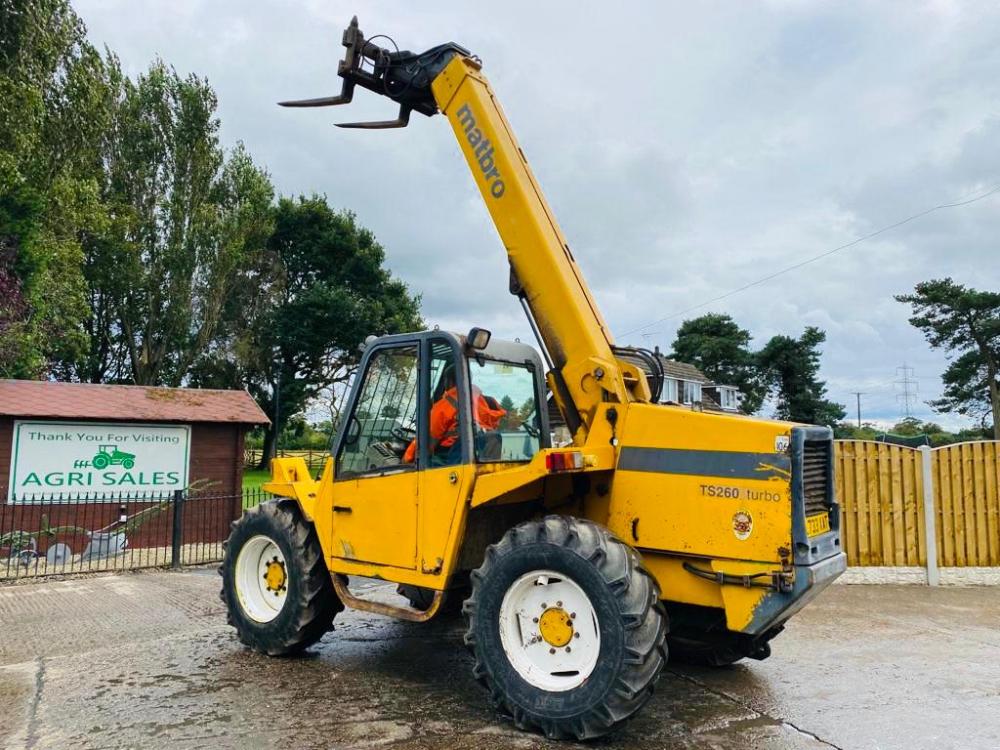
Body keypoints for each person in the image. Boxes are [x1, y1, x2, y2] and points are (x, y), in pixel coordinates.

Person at [403, 365, 505, 465]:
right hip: (476, 459)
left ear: (450, 381)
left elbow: (426, 442)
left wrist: (406, 460)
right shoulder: (485, 403)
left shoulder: (445, 406)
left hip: (448, 459)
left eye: (445, 381)